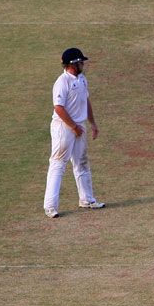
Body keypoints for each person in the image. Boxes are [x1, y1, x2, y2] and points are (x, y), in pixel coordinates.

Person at [43, 47, 105, 219]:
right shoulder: (62, 82)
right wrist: (73, 126)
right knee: (58, 164)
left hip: (79, 125)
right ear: (72, 64)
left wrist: (92, 123)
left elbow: (86, 101)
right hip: (63, 127)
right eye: (80, 62)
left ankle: (87, 199)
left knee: (82, 162)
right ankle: (50, 207)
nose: (83, 64)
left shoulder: (82, 79)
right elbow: (58, 108)